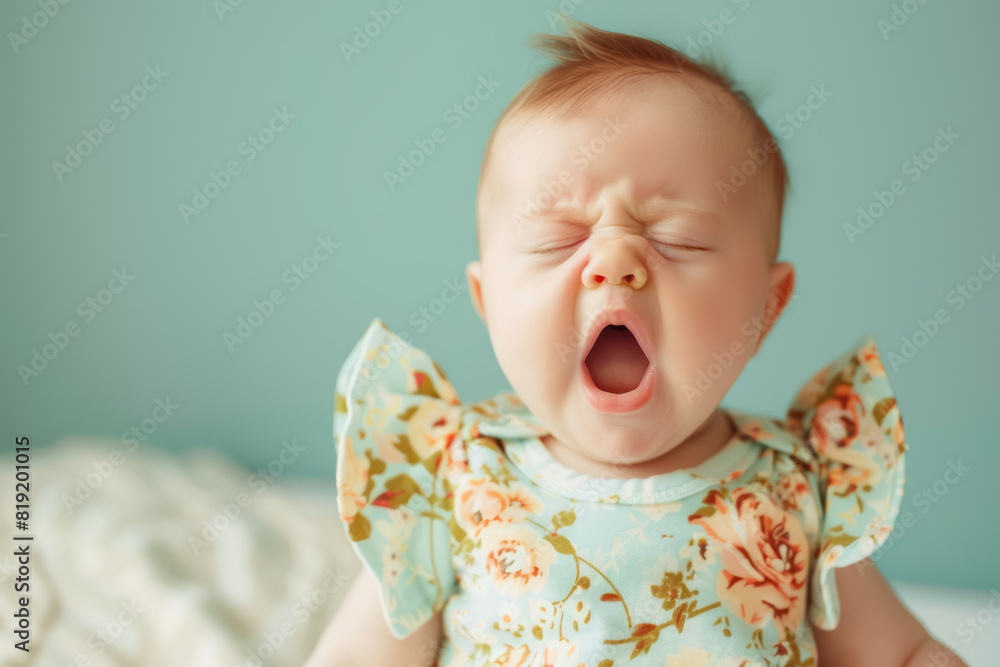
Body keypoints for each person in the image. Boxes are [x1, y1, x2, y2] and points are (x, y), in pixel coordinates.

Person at [307, 16, 966, 667]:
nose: (614, 262)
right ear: (488, 302)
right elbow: (359, 653)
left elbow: (903, 652)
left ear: (765, 308)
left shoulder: (800, 486)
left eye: (678, 239)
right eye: (558, 240)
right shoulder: (450, 475)